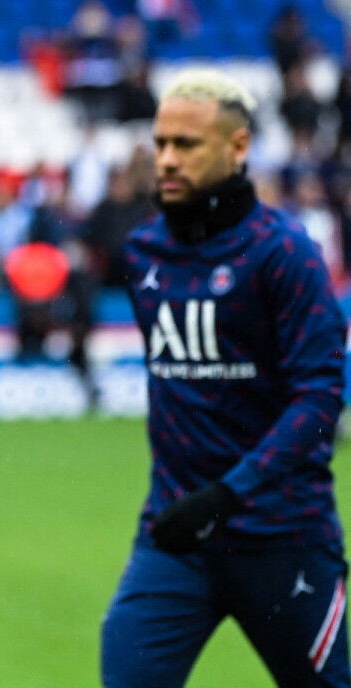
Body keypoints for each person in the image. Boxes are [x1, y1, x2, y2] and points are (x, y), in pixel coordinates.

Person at [101, 68, 350, 687]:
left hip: (282, 536)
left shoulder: (284, 252)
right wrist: (194, 503)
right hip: (175, 535)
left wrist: (229, 493)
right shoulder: (143, 253)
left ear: (238, 148)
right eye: (160, 144)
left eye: (186, 145)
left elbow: (322, 397)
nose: (166, 159)